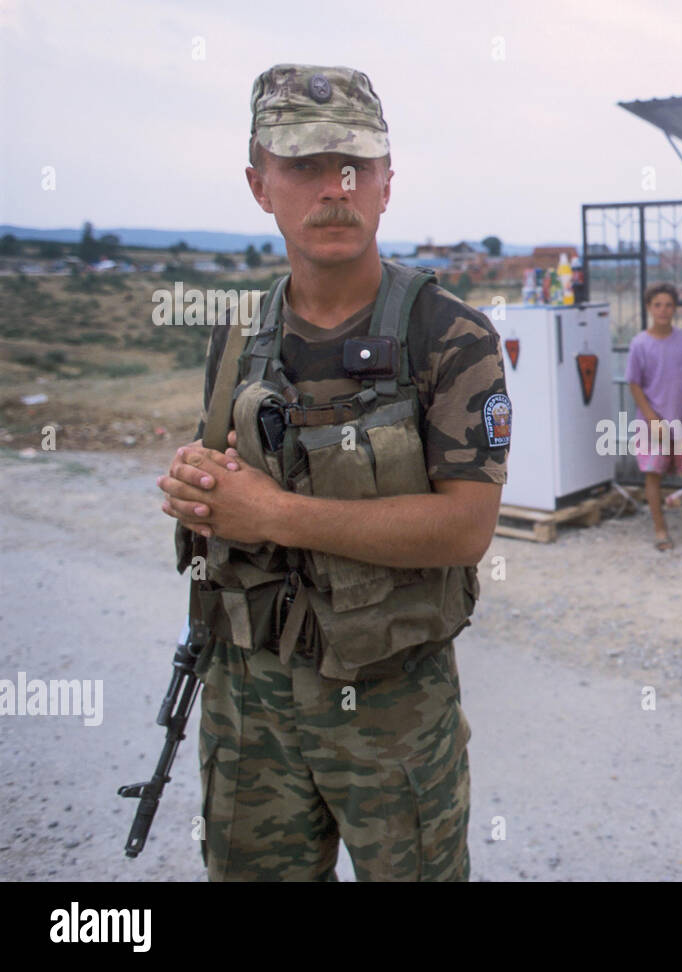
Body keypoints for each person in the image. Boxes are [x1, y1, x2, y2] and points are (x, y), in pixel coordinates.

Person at [156, 64, 510, 881]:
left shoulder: (448, 337)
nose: (335, 188)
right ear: (259, 184)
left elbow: (465, 527)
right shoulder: (238, 336)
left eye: (355, 166)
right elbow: (227, 489)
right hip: (248, 703)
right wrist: (198, 489)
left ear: (388, 183)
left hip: (391, 708)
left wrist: (272, 513)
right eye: (304, 165)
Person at [625, 283, 682, 550]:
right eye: (658, 305)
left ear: (675, 308)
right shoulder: (639, 344)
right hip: (653, 423)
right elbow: (634, 383)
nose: (663, 310)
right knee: (654, 476)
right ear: (649, 308)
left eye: (668, 305)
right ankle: (660, 530)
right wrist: (651, 418)